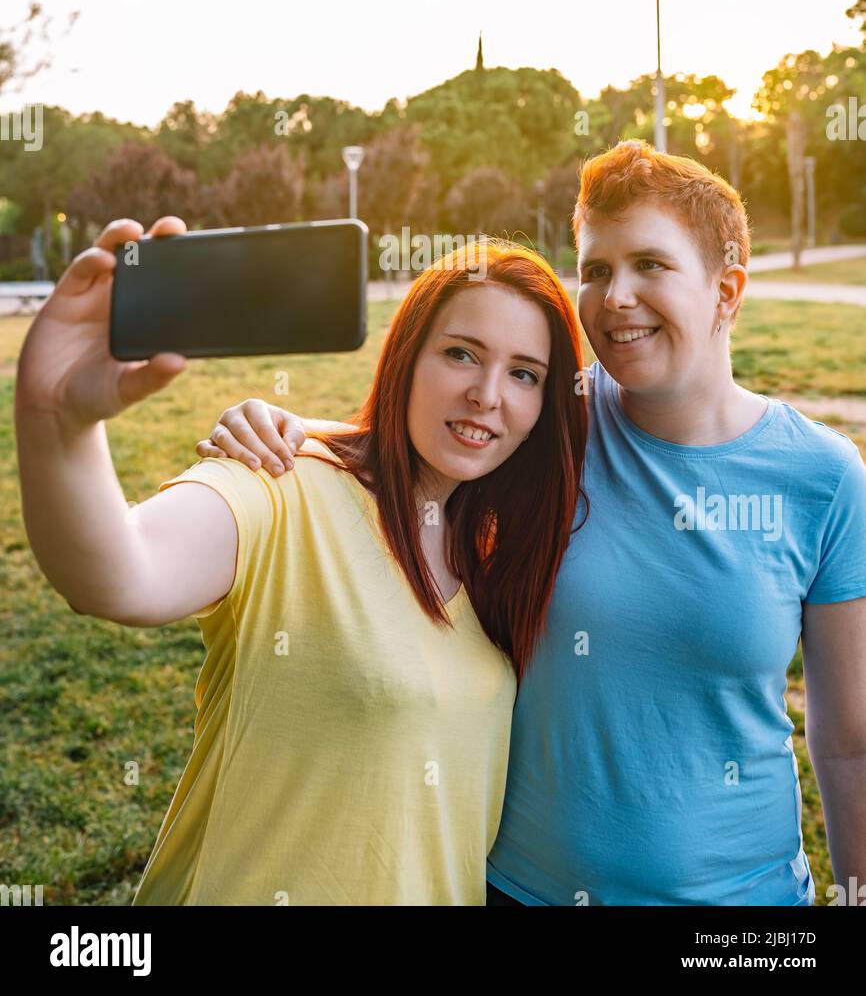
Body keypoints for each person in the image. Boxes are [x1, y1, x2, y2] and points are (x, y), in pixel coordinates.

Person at [201, 141, 866, 906]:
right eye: (596, 269)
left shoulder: (824, 477)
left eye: (650, 264)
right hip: (522, 890)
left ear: (727, 290)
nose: (616, 295)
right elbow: (429, 434)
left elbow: (849, 747)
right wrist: (284, 427)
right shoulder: (555, 422)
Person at [14, 220, 588, 906]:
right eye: (462, 354)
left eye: (524, 373)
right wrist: (58, 419)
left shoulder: (499, 554)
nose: (488, 394)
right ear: (407, 354)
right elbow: (118, 576)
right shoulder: (283, 479)